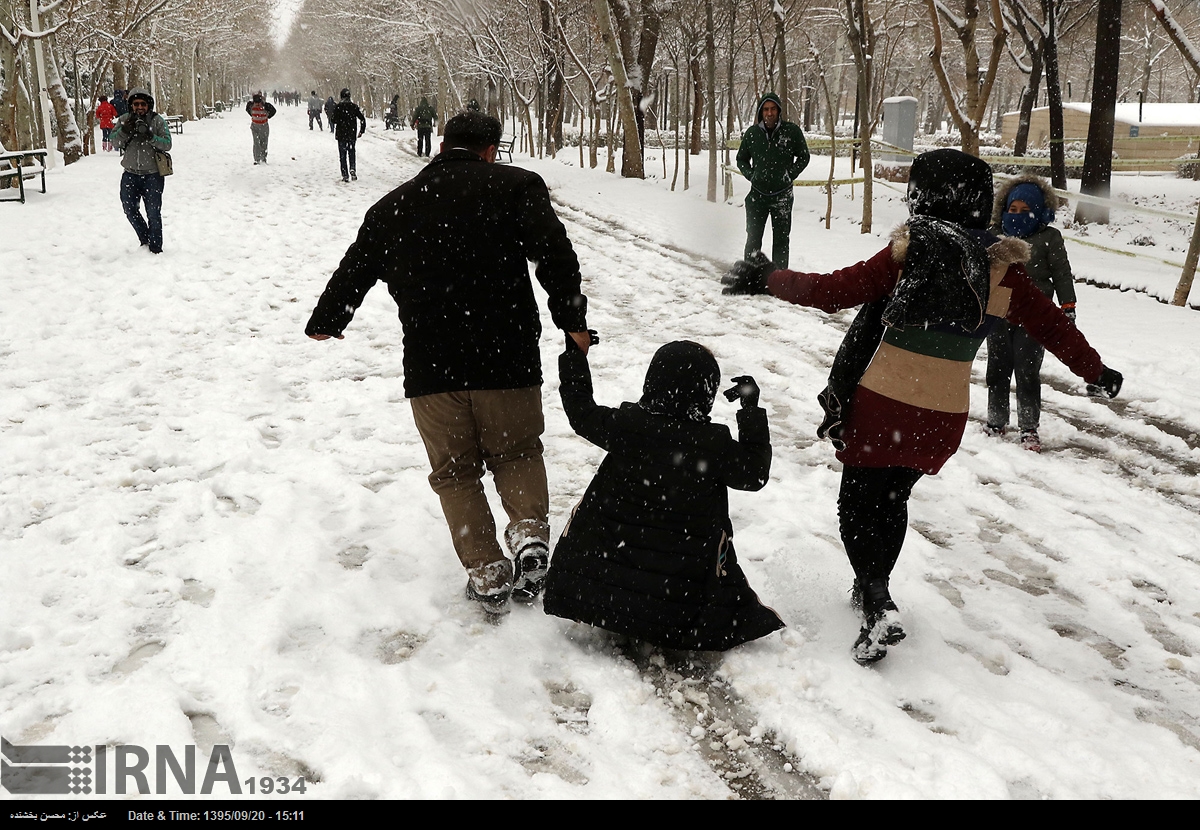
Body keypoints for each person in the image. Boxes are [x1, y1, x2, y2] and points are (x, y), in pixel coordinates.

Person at [721, 149, 1123, 665]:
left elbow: (829, 293)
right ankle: (873, 590)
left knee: (857, 504)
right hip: (941, 419)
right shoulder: (1003, 273)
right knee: (892, 499)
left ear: (925, 197)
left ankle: (875, 598)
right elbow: (1054, 329)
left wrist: (766, 278)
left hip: (882, 405)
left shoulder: (909, 255)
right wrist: (1097, 371)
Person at [304, 111, 591, 615]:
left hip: (431, 368)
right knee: (518, 452)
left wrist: (328, 317)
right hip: (508, 358)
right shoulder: (516, 186)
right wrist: (571, 320)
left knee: (455, 473)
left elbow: (357, 267)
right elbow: (555, 254)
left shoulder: (393, 206)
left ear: (442, 143)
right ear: (490, 149)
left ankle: (486, 571)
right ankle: (528, 536)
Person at [543, 339, 784, 651]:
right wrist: (750, 409)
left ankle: (614, 608)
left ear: (651, 382)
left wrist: (575, 356)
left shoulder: (627, 427)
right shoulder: (713, 445)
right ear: (706, 393)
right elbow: (755, 474)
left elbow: (581, 411)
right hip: (679, 609)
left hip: (600, 594)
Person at [985, 175, 1079, 453]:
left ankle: (1029, 428)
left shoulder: (1049, 238)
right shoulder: (995, 235)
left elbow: (1061, 273)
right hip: (998, 314)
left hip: (1034, 318)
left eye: (1025, 210)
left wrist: (1068, 306)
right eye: (1012, 210)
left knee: (1027, 372)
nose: (1017, 216)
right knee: (997, 370)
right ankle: (996, 421)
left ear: (1040, 212)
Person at [736, 92, 809, 269]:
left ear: (778, 111)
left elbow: (804, 156)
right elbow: (741, 159)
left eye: (773, 109)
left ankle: (779, 280)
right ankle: (750, 277)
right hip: (757, 196)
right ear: (761, 112)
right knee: (753, 238)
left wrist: (789, 174)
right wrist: (752, 175)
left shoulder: (791, 132)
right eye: (766, 109)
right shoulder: (753, 134)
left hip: (782, 197)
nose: (769, 113)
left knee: (781, 241)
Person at [109, 88, 172, 254]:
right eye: (136, 104)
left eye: (143, 104)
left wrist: (151, 137)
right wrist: (125, 131)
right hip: (130, 174)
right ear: (131, 105)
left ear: (148, 105)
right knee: (129, 209)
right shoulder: (124, 120)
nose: (139, 107)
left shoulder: (157, 120)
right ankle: (145, 239)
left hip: (153, 175)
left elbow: (167, 144)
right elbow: (113, 142)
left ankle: (155, 248)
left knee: (153, 212)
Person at [330, 88, 366, 182]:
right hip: (351, 133)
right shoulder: (354, 107)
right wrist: (362, 130)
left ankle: (345, 174)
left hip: (341, 134)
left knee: (342, 155)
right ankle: (352, 168)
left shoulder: (338, 107)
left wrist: (339, 120)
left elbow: (333, 120)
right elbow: (362, 119)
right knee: (351, 152)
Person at [246, 92, 277, 164]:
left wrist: (268, 116)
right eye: (256, 103)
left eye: (258, 103)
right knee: (256, 142)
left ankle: (263, 158)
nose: (257, 104)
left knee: (264, 142)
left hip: (264, 126)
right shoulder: (251, 106)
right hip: (255, 127)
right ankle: (257, 159)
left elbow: (274, 111)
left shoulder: (266, 106)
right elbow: (247, 109)